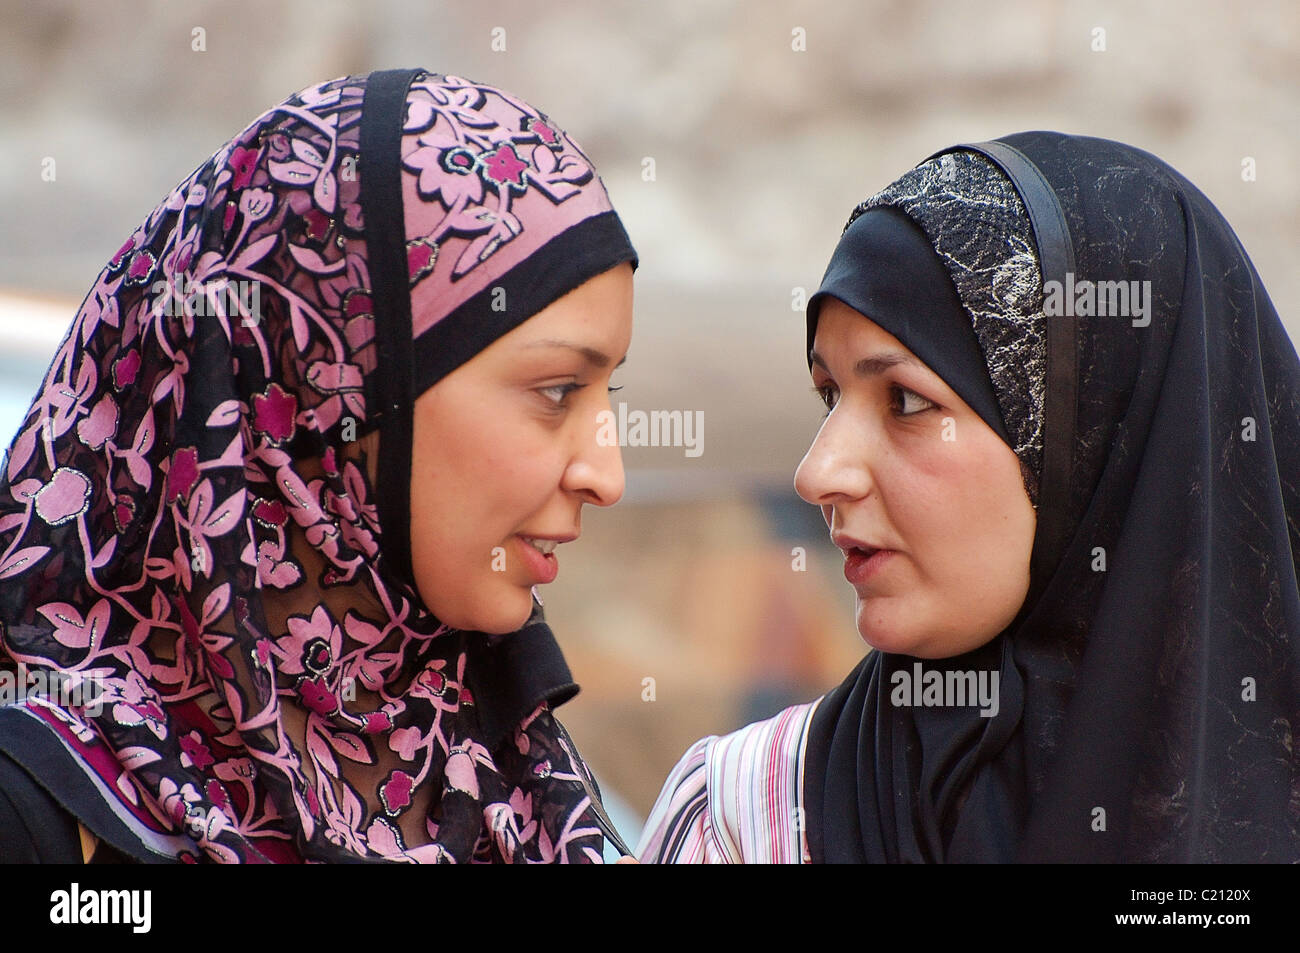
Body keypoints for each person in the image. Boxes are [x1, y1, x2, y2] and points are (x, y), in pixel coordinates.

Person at [0, 69, 638, 863]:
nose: (606, 475)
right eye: (555, 390)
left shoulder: (511, 783)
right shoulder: (43, 817)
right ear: (328, 395)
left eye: (610, 390)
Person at [637, 131, 1300, 863]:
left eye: (907, 402)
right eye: (829, 394)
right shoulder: (743, 822)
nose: (819, 471)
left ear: (1090, 445)